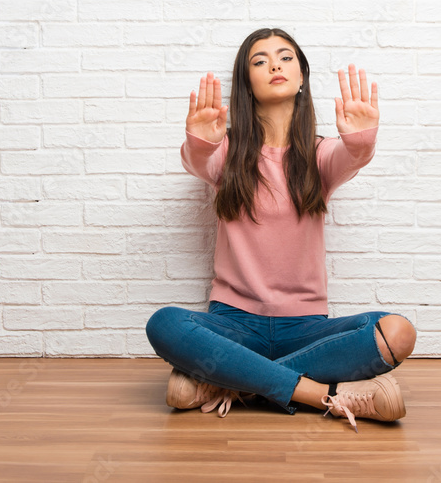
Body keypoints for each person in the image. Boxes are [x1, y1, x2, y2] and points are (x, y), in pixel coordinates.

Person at [145, 27, 416, 432]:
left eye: (286, 57)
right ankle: (321, 395)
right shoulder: (227, 152)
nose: (274, 64)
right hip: (233, 324)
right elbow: (197, 160)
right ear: (247, 82)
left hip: (306, 329)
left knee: (397, 332)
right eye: (260, 60)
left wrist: (360, 141)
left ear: (302, 76)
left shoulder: (320, 153)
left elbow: (351, 156)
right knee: (164, 323)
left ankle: (234, 383)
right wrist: (201, 144)